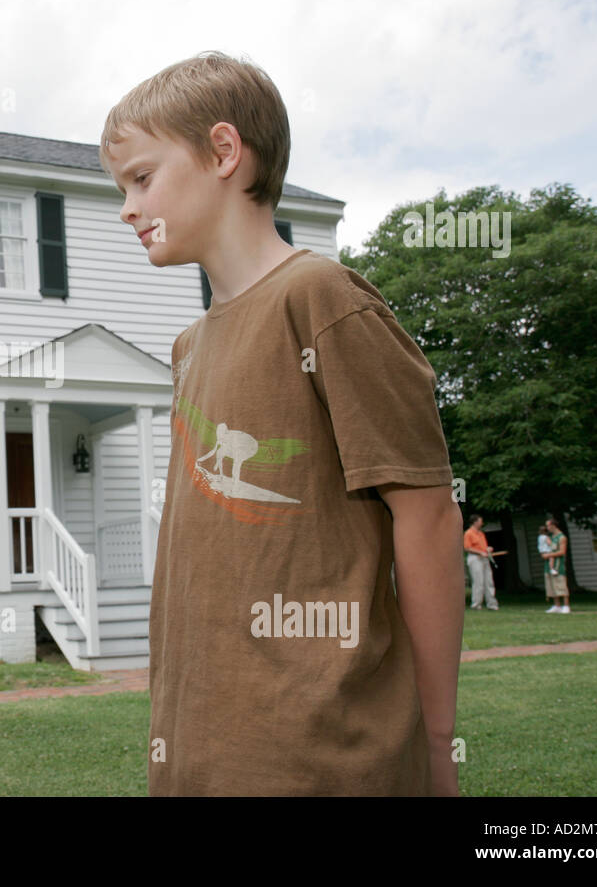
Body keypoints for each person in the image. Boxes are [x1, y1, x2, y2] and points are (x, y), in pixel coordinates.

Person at [100, 52, 464, 796]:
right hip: (199, 752)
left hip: (322, 755)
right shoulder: (188, 345)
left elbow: (425, 517)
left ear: (225, 152)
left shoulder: (323, 299)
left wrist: (434, 741)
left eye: (142, 178)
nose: (128, 208)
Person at [464, 514, 499, 610]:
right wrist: (480, 552)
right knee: (478, 582)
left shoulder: (481, 534)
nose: (482, 523)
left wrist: (488, 549)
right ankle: (476, 604)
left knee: (489, 581)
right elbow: (467, 547)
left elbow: (483, 547)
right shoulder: (468, 533)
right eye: (480, 521)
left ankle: (492, 604)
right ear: (475, 522)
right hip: (475, 559)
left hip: (484, 558)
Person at [543, 517, 570, 614]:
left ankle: (566, 606)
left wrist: (549, 555)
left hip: (558, 565)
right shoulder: (551, 538)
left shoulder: (562, 537)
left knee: (561, 585)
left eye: (548, 525)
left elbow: (562, 552)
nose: (547, 528)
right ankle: (557, 606)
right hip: (549, 565)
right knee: (552, 585)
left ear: (553, 525)